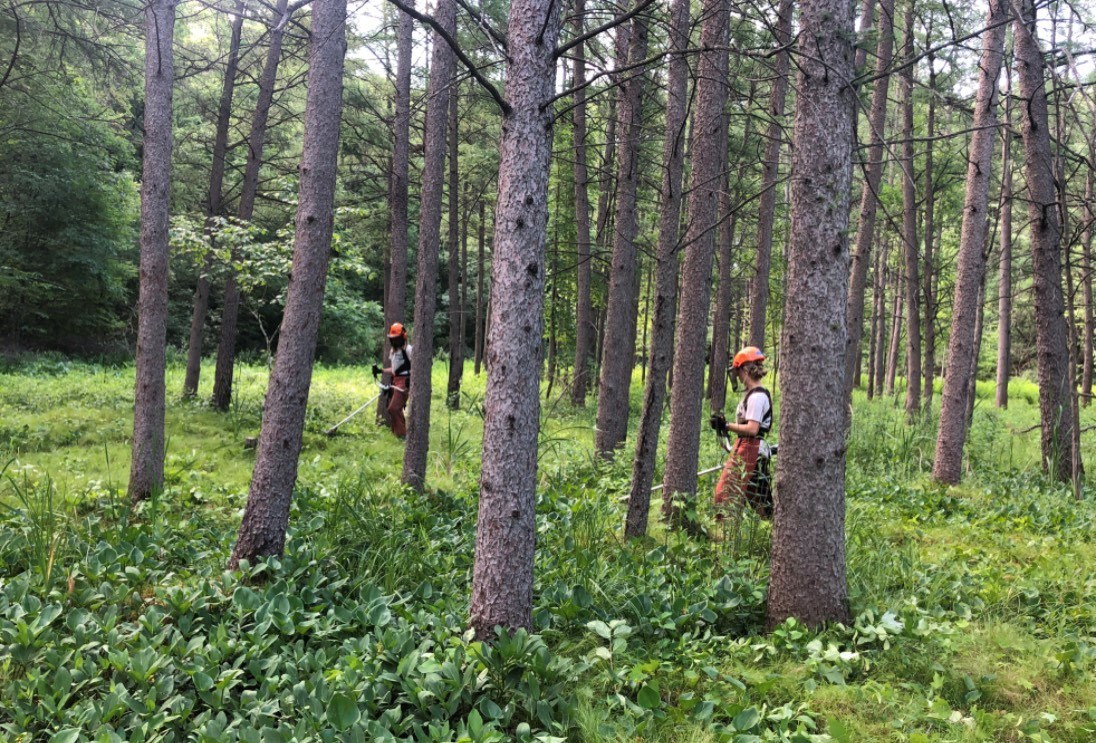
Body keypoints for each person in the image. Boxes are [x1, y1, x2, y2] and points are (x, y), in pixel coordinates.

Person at [709, 346, 774, 519]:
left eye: (737, 371)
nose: (736, 376)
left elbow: (752, 429)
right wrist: (724, 429)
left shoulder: (757, 396)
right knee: (756, 498)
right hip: (745, 446)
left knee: (725, 494)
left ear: (745, 369)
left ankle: (725, 531)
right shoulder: (751, 394)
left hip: (752, 449)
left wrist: (727, 425)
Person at [375, 323, 412, 439]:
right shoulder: (393, 351)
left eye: (397, 339)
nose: (395, 342)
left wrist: (411, 379)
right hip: (395, 381)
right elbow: (395, 369)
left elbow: (417, 366)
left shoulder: (409, 350)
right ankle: (398, 433)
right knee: (395, 408)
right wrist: (381, 371)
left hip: (404, 382)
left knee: (393, 408)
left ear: (403, 338)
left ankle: (403, 435)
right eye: (393, 340)